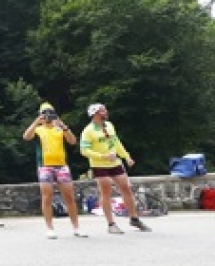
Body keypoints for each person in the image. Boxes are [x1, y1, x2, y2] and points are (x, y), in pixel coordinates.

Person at [80, 103, 151, 234]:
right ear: (95, 114)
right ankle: (111, 224)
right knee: (106, 192)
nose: (105, 112)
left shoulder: (109, 126)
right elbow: (84, 150)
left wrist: (126, 156)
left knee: (126, 188)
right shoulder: (88, 130)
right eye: (102, 111)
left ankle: (134, 218)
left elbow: (116, 142)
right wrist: (103, 156)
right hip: (99, 164)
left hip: (115, 163)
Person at [23, 102, 87, 239]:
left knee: (69, 196)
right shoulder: (38, 129)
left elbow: (72, 141)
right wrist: (36, 122)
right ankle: (50, 228)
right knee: (47, 197)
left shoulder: (59, 128)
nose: (48, 115)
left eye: (50, 112)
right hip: (45, 166)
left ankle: (76, 227)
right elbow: (26, 137)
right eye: (45, 113)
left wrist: (63, 126)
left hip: (61, 165)